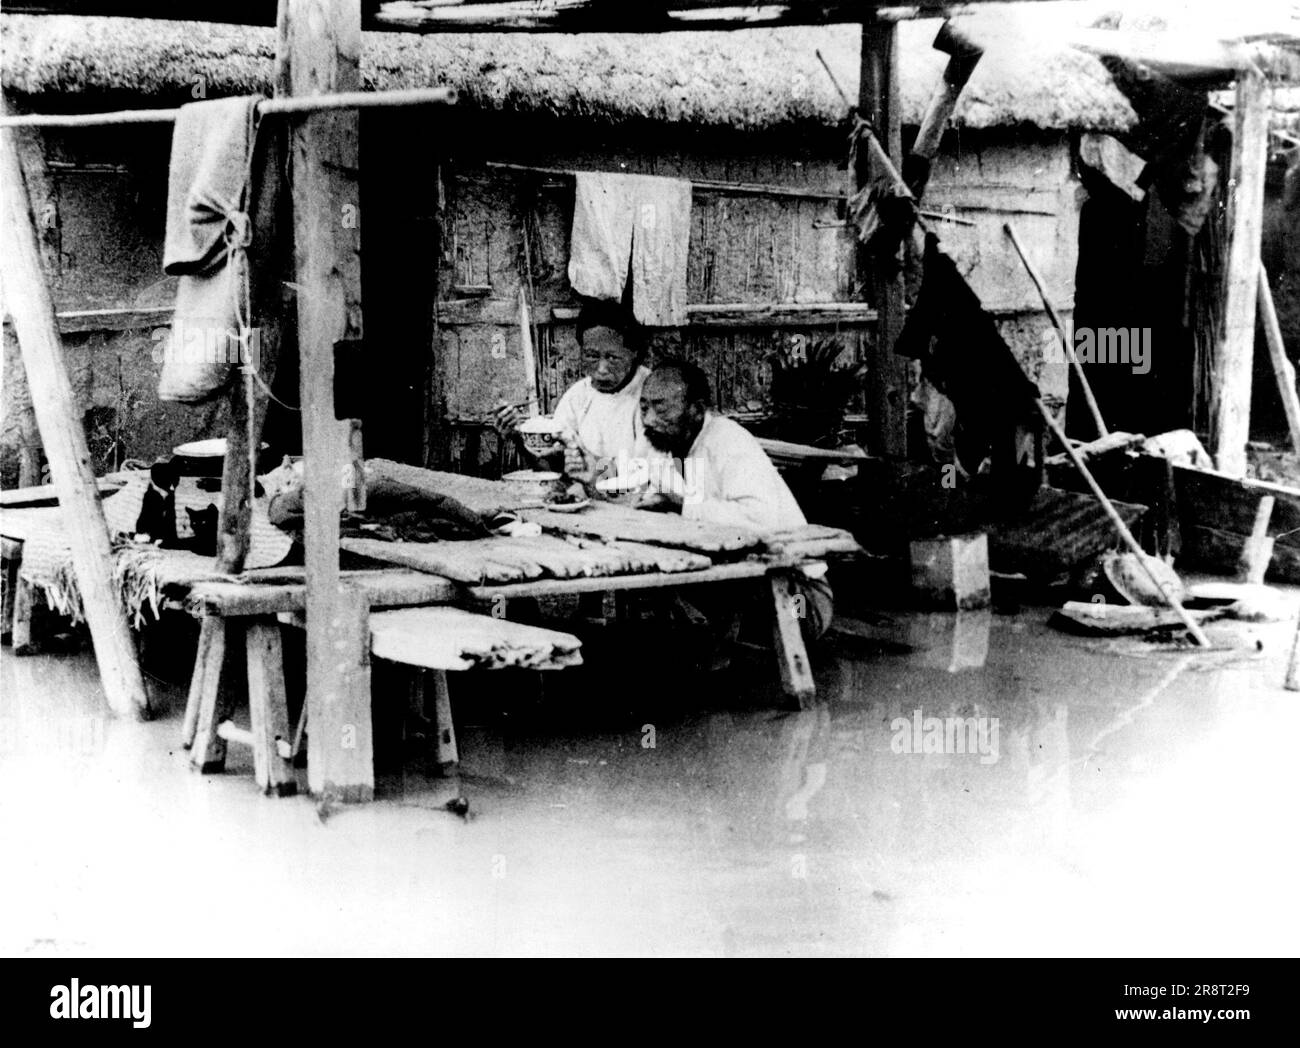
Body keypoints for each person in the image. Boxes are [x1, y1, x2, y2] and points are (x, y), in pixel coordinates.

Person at [632, 358, 834, 640]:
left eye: (661, 408)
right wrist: (591, 472)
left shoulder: (730, 442)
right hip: (735, 587)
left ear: (696, 410)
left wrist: (681, 502)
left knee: (707, 597)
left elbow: (758, 519)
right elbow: (625, 485)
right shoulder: (657, 439)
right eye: (644, 407)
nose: (649, 418)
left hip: (800, 598)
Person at [497, 299, 650, 486]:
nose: (601, 369)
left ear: (633, 351)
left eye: (612, 358)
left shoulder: (650, 395)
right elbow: (550, 471)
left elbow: (651, 477)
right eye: (591, 356)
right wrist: (517, 437)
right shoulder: (578, 396)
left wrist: (594, 467)